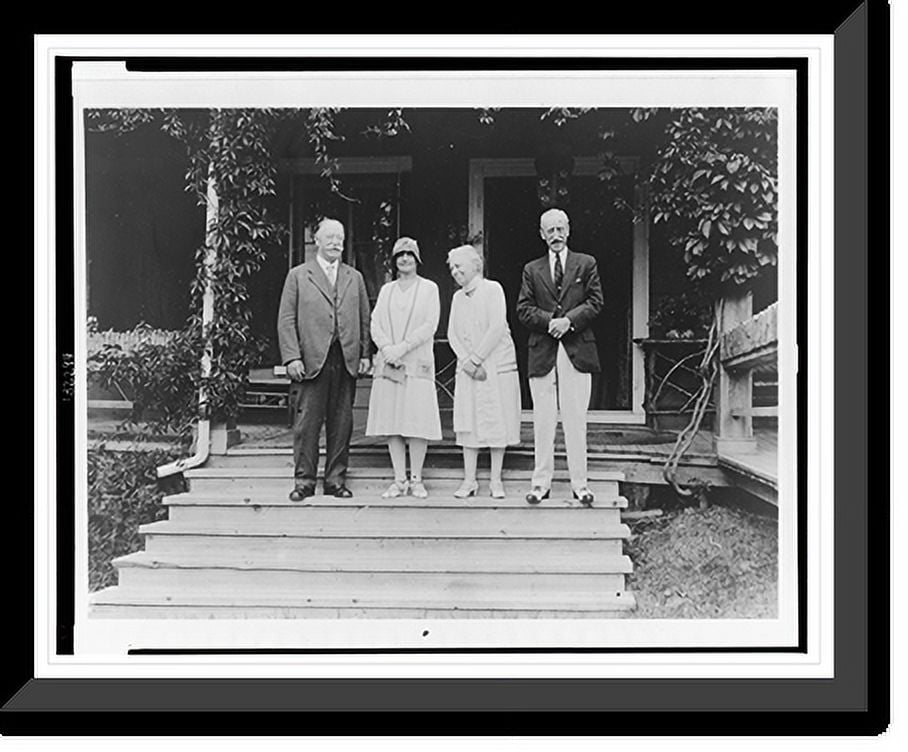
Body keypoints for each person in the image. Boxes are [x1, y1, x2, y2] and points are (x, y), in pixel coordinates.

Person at [277, 218, 372, 500]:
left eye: (339, 237)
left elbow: (364, 318)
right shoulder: (298, 275)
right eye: (329, 237)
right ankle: (304, 482)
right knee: (307, 425)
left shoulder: (353, 277)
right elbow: (286, 319)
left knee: (341, 424)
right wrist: (292, 356)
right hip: (310, 361)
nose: (335, 242)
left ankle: (335, 480)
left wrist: (365, 353)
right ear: (316, 240)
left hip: (345, 360)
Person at [516, 208, 604, 506]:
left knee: (576, 419)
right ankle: (540, 485)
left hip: (577, 350)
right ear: (541, 234)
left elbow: (596, 301)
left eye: (560, 229)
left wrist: (569, 321)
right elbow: (523, 308)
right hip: (543, 353)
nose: (555, 235)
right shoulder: (532, 269)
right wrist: (549, 322)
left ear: (568, 230)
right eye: (549, 230)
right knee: (542, 421)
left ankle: (580, 485)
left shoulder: (586, 263)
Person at [365, 237, 442, 498]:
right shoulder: (387, 290)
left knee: (416, 421)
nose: (405, 259)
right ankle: (399, 479)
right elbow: (375, 323)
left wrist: (403, 348)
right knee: (392, 420)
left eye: (410, 254)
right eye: (400, 255)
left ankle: (417, 478)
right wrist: (387, 348)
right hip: (390, 364)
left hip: (416, 362)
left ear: (417, 259)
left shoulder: (429, 288)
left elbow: (430, 324)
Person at [446, 244, 521, 499]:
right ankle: (469, 480)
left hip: (494, 364)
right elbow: (452, 333)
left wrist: (477, 359)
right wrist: (467, 362)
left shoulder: (492, 289)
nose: (455, 271)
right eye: (452, 268)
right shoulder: (457, 297)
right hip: (468, 368)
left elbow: (497, 326)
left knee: (496, 419)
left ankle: (496, 480)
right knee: (469, 422)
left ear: (475, 265)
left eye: (460, 266)